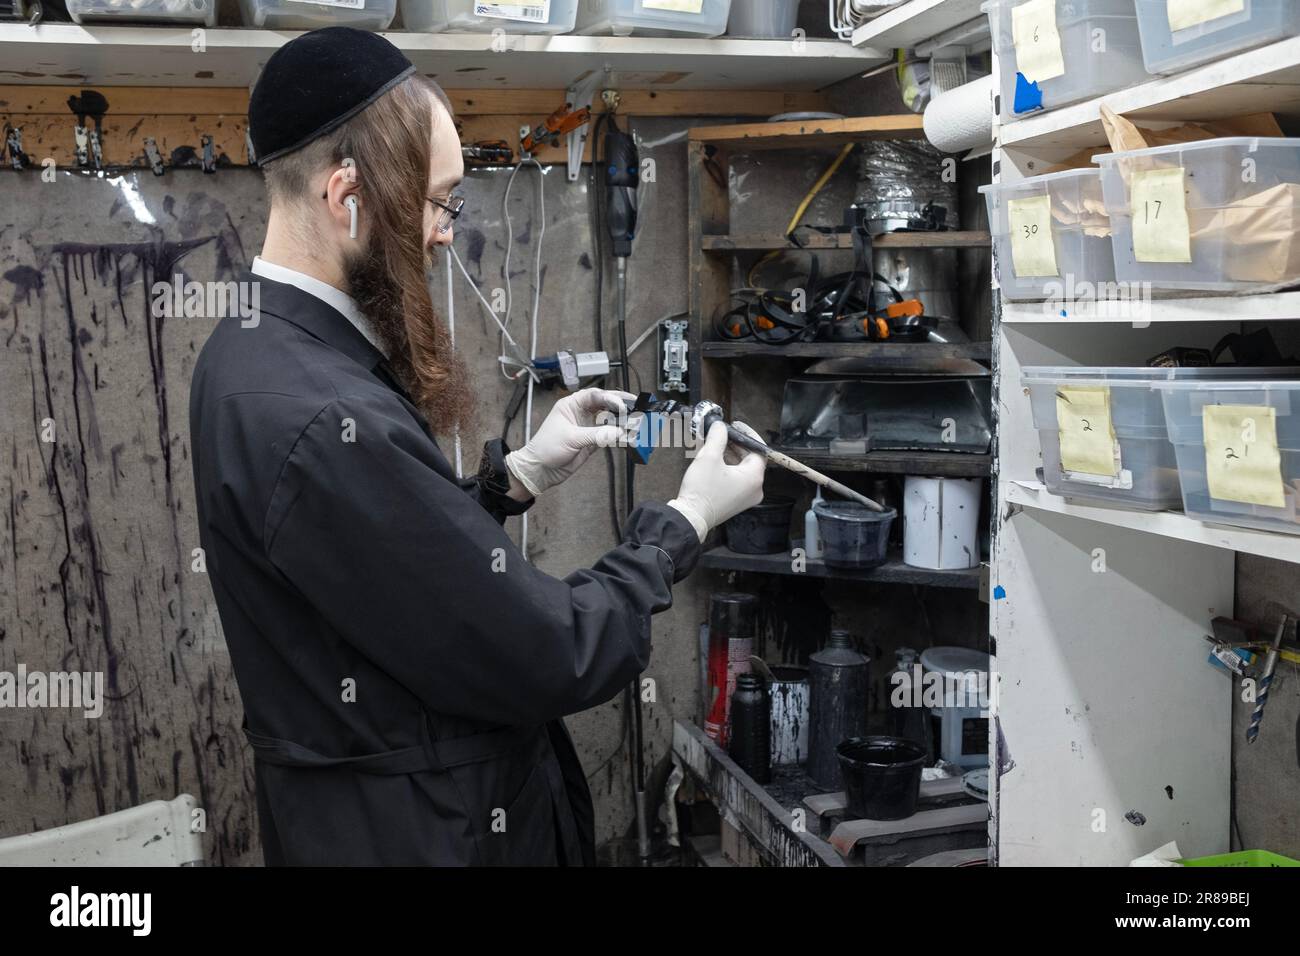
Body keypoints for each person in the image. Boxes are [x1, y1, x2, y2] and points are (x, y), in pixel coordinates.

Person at [188, 27, 766, 865]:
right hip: (423, 836)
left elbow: (380, 572)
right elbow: (548, 650)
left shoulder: (251, 351)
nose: (444, 233)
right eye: (438, 201)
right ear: (346, 195)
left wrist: (511, 481)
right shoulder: (317, 409)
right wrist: (684, 523)